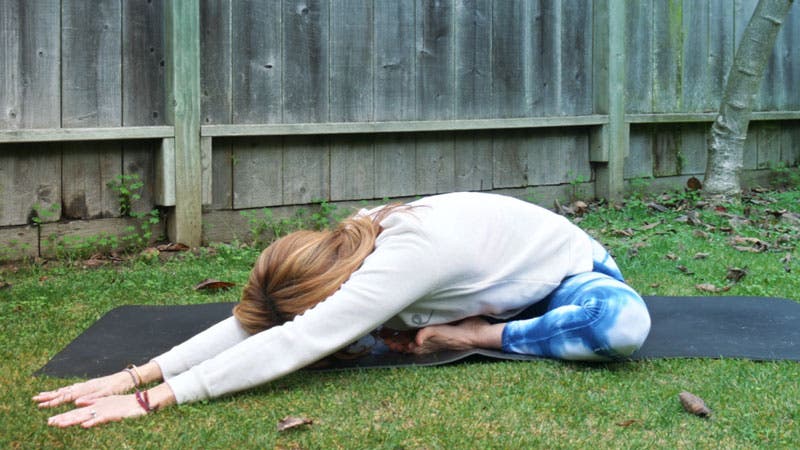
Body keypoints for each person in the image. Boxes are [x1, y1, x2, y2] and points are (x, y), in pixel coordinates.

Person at [34, 191, 651, 428]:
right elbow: (255, 327)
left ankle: (469, 332)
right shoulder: (346, 247)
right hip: (478, 282)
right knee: (352, 338)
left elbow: (293, 342)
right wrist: (136, 375)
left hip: (564, 277)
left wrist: (155, 402)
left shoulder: (408, 256)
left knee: (620, 327)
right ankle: (444, 327)